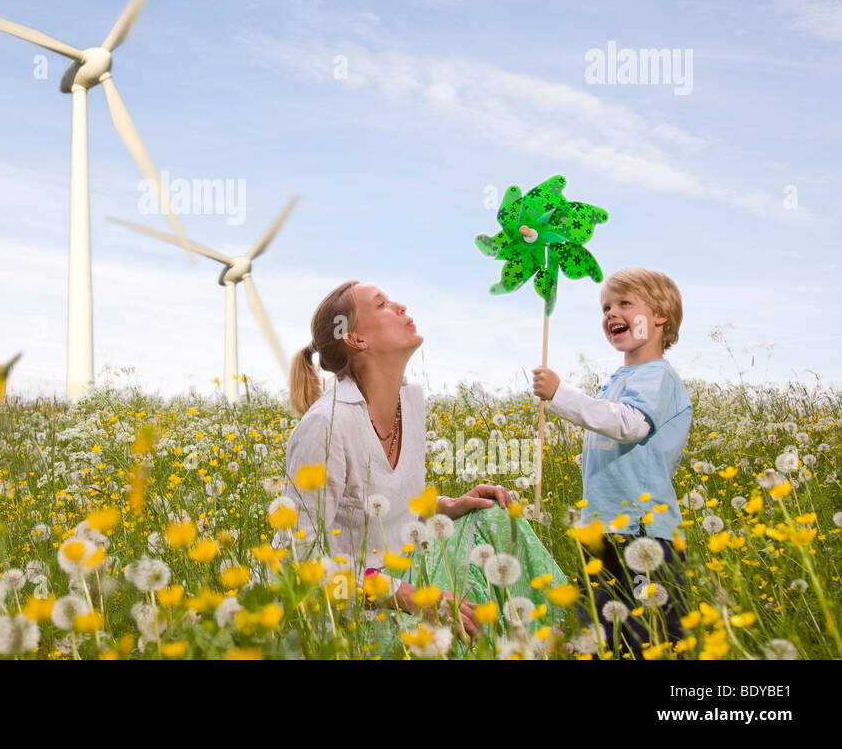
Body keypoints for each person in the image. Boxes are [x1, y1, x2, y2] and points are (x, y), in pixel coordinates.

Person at [284, 280, 566, 649]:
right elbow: (297, 556)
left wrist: (448, 506)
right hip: (352, 599)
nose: (400, 306)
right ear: (356, 339)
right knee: (438, 635)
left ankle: (551, 641)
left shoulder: (411, 401)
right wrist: (411, 597)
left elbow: (389, 507)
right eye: (382, 304)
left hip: (408, 564)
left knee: (494, 517)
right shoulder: (326, 425)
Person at [532, 267, 692, 659]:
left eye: (624, 303)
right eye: (605, 307)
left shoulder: (657, 377)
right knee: (605, 634)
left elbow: (631, 424)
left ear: (660, 316)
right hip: (602, 527)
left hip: (643, 527)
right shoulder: (619, 379)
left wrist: (561, 395)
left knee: (652, 637)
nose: (610, 313)